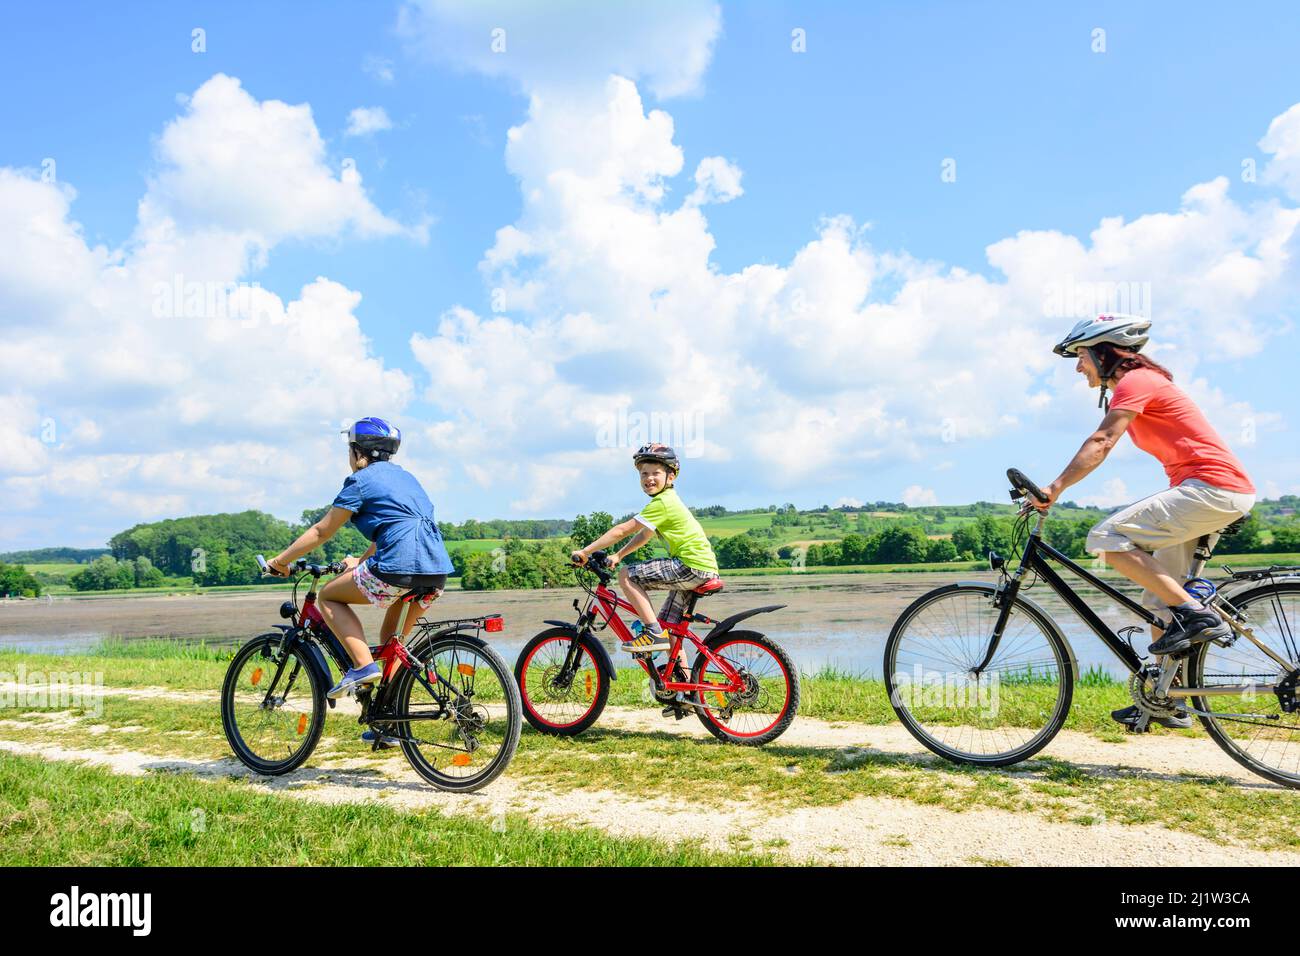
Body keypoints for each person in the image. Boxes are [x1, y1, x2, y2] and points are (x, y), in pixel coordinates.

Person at [1032, 315, 1256, 729]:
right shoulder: (1142, 383)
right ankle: (1164, 698)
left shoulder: (1137, 381)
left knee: (1105, 537)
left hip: (1212, 489)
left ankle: (1196, 613)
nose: (1078, 367)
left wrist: (1055, 488)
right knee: (1159, 603)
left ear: (1104, 351)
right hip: (1213, 491)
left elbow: (1102, 441)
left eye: (1081, 356)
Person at [267, 418, 455, 714]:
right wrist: (360, 562)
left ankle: (362, 666)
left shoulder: (360, 481)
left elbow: (321, 531)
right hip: (435, 570)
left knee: (328, 596)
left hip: (397, 567)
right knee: (393, 641)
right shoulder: (407, 479)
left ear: (358, 453)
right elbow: (397, 527)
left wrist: (280, 562)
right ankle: (390, 720)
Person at [571, 443, 719, 683]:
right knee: (670, 629)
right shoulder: (665, 502)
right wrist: (618, 555)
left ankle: (652, 633)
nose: (649, 478)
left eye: (655, 473)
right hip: (702, 569)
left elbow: (622, 530)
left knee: (627, 576)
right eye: (644, 473)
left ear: (671, 477)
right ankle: (682, 687)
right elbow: (644, 535)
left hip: (689, 566)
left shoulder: (662, 503)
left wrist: (586, 551)